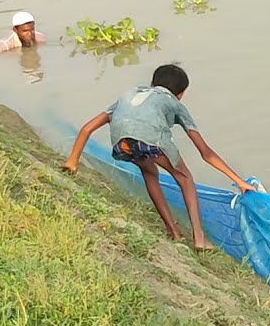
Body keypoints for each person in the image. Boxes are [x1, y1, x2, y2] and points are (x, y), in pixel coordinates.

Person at [61, 64, 256, 250]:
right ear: (181, 94)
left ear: (152, 83)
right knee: (185, 178)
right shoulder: (173, 102)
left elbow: (87, 127)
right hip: (152, 139)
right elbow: (205, 152)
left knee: (149, 172)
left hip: (121, 141)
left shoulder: (132, 94)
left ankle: (174, 233)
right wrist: (239, 181)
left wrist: (73, 160)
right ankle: (199, 238)